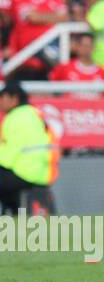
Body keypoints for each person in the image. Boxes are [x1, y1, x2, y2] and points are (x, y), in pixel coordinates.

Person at [0, 79, 59, 216]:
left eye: (2, 97)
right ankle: (12, 211)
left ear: (14, 99)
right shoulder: (35, 114)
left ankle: (10, 211)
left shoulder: (15, 118)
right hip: (43, 174)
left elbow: (7, 158)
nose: (1, 102)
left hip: (24, 174)